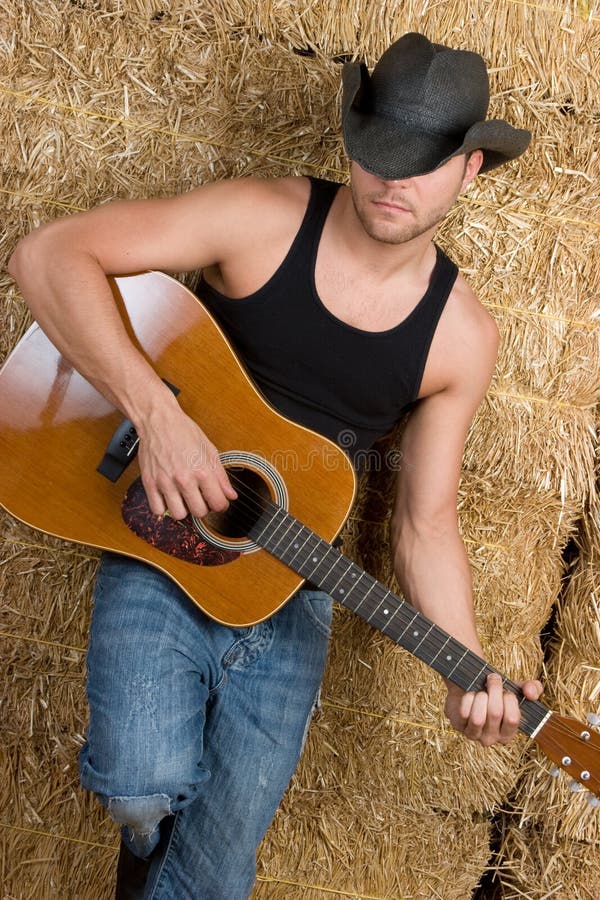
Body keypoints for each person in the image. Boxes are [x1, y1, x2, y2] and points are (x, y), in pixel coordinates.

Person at [8, 32, 543, 900]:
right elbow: (46, 256)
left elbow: (425, 523)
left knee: (218, 878)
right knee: (140, 789)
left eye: (419, 163)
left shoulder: (461, 338)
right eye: (377, 152)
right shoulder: (263, 218)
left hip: (298, 594)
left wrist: (464, 667)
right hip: (164, 539)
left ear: (472, 169)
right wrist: (160, 415)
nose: (390, 180)